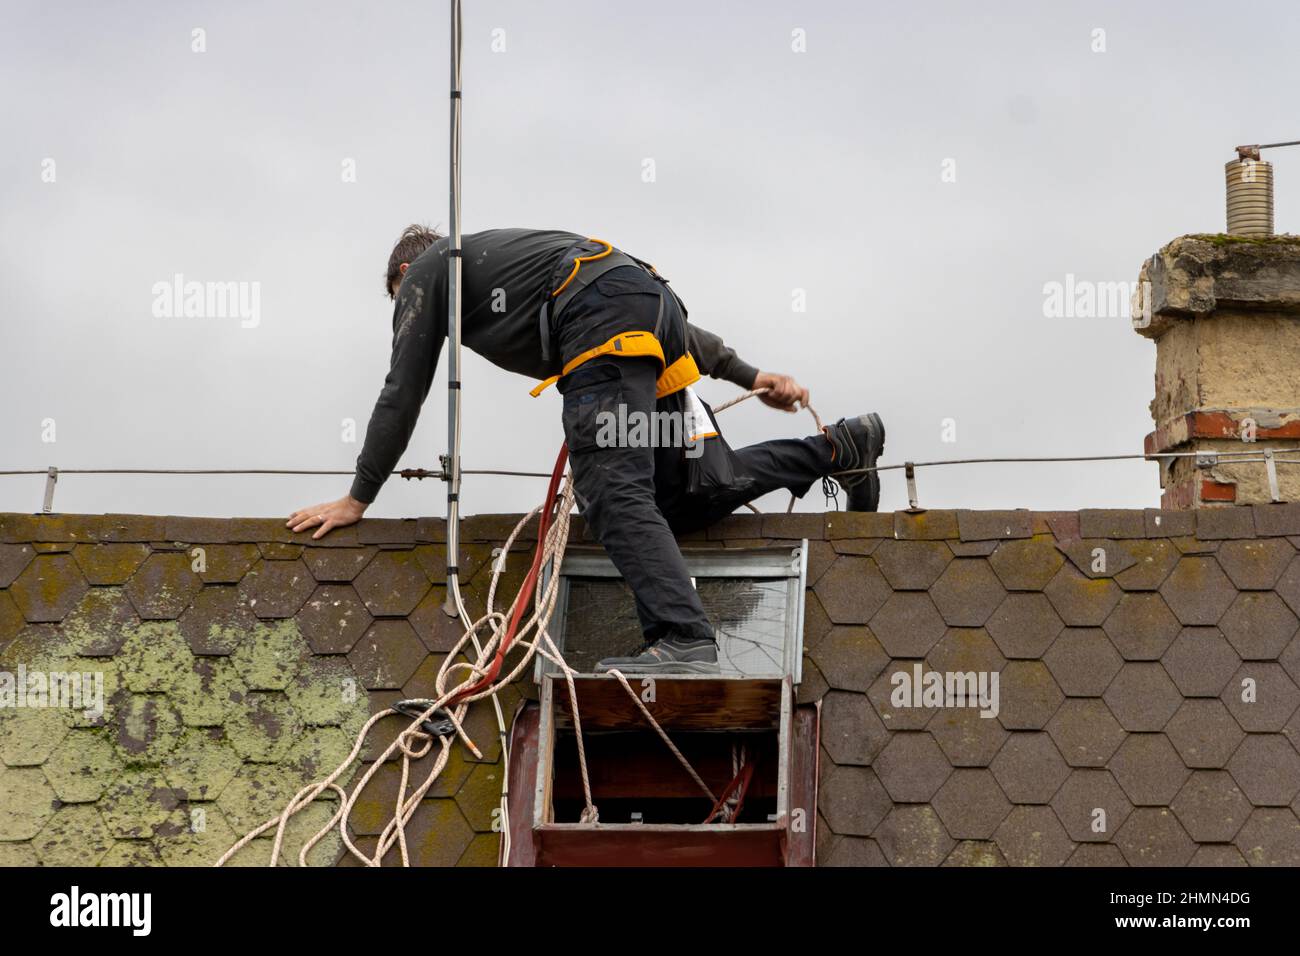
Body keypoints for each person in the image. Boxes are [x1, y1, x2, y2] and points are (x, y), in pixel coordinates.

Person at [288, 226, 885, 674]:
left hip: (604, 330)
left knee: (613, 491)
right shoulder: (512, 259)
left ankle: (683, 638)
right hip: (649, 307)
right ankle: (839, 450)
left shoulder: (427, 271)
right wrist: (750, 375)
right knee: (681, 497)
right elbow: (649, 307)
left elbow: (403, 388)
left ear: (404, 271)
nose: (407, 313)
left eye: (400, 300)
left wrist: (358, 497)